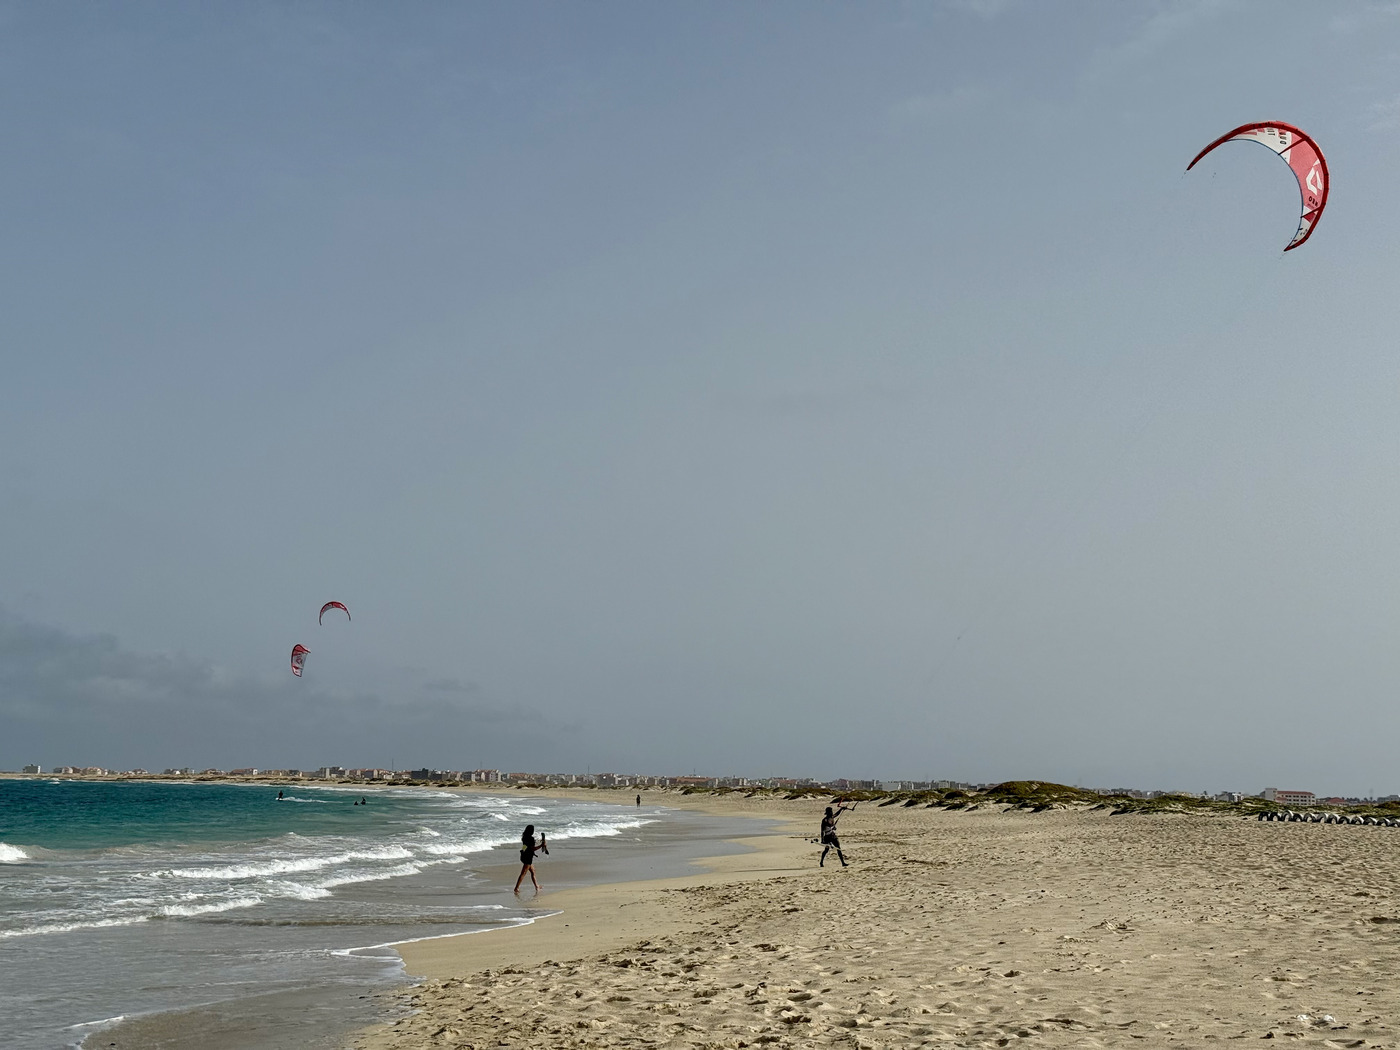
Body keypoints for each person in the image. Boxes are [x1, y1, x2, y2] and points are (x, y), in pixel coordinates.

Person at [514, 824, 548, 893]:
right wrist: (541, 845)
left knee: (533, 871)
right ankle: (516, 888)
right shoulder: (530, 839)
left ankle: (536, 886)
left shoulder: (524, 837)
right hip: (528, 857)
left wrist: (540, 842)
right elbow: (533, 848)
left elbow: (525, 846)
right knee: (523, 873)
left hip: (523, 855)